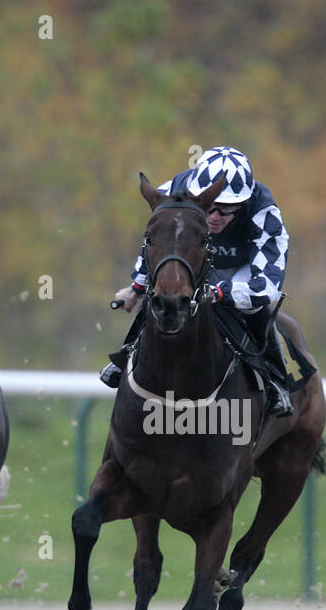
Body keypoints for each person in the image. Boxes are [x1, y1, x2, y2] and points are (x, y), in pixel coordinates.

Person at [101, 146, 294, 417]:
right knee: (164, 294)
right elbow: (157, 245)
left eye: (226, 211)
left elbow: (266, 288)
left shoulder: (265, 213)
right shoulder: (172, 193)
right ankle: (125, 356)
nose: (214, 217)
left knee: (251, 308)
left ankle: (276, 381)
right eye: (210, 208)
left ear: (243, 204)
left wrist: (217, 293)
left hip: (243, 270)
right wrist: (137, 287)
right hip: (193, 261)